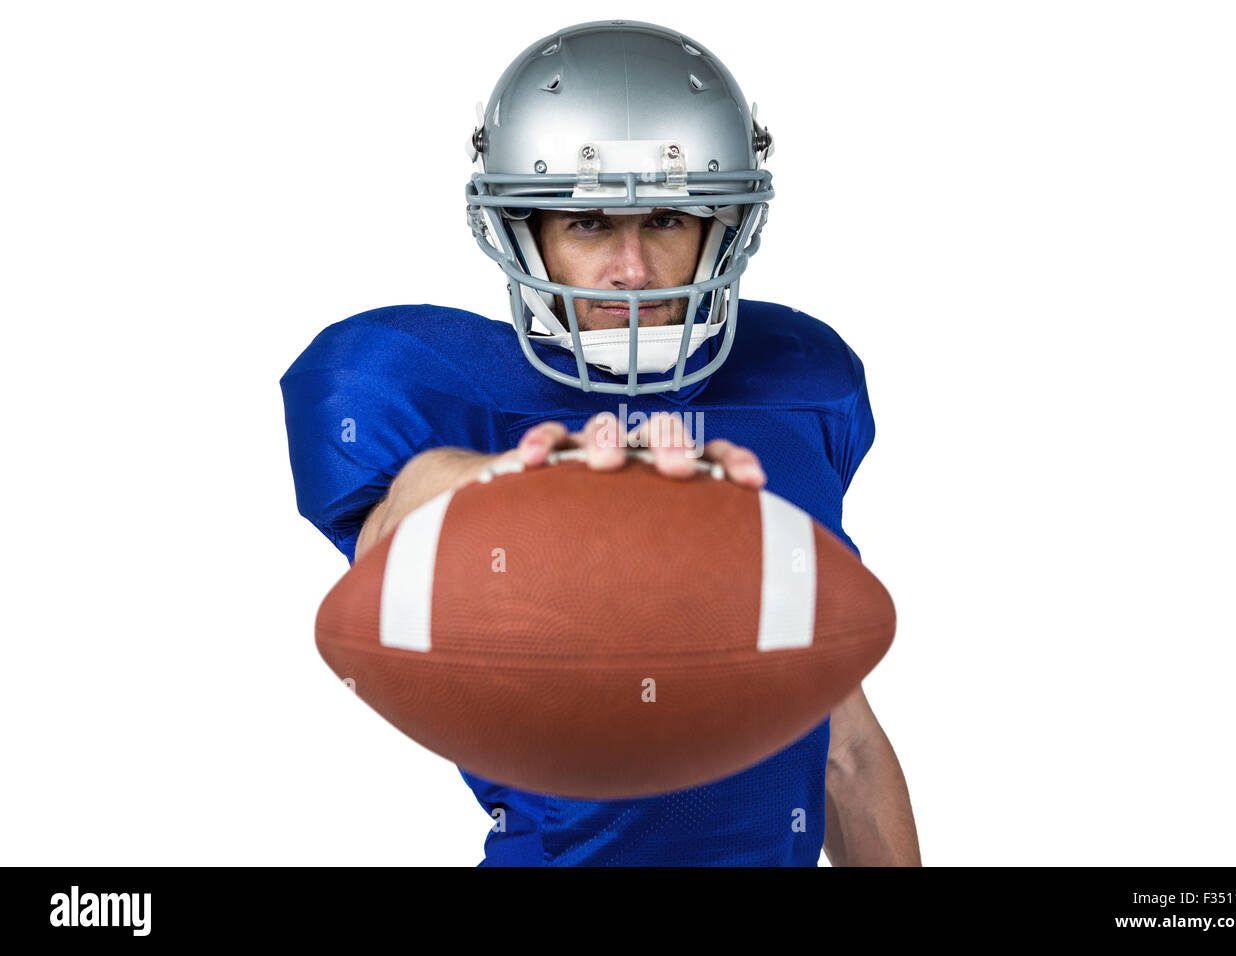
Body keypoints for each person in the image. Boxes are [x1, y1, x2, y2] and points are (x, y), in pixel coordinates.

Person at [281, 19, 920, 866]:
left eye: (664, 218)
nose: (632, 270)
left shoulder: (800, 389)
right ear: (524, 232)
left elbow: (844, 744)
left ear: (725, 227)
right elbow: (390, 549)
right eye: (587, 226)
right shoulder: (425, 388)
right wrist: (518, 483)